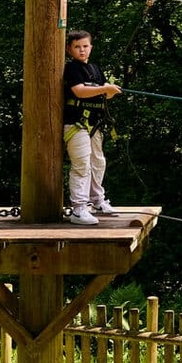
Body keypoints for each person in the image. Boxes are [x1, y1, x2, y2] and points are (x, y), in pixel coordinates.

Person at [63, 29, 123, 225]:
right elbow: (79, 92)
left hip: (94, 124)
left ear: (91, 48)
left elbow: (100, 92)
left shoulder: (95, 69)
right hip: (76, 123)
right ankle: (79, 208)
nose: (82, 51)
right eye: (77, 47)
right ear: (69, 49)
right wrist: (106, 89)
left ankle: (97, 201)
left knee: (98, 162)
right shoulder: (71, 69)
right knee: (81, 164)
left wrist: (108, 91)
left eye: (85, 46)